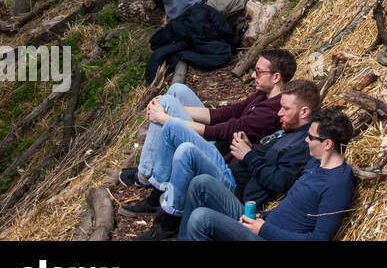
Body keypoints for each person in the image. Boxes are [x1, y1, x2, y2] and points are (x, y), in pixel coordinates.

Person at [134, 79, 320, 241]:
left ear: (304, 112)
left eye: (285, 108)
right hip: (230, 168)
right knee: (172, 108)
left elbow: (278, 181)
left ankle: (163, 211)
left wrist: (248, 155)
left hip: (234, 187)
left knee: (184, 147)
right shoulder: (288, 127)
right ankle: (163, 205)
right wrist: (251, 148)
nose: (279, 113)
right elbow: (230, 116)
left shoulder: (303, 143)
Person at [121, 49, 296, 218]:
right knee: (175, 92)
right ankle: (147, 172)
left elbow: (216, 132)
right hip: (219, 146)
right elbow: (224, 114)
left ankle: (145, 176)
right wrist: (171, 108)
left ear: (276, 77)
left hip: (220, 157)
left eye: (258, 72)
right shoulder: (262, 96)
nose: (252, 75)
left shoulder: (270, 113)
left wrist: (165, 118)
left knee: (167, 111)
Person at [181, 109, 355, 241]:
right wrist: (262, 216)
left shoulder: (337, 184)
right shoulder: (315, 163)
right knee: (201, 183)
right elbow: (291, 208)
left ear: (327, 144)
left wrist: (263, 229)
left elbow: (319, 238)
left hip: (266, 236)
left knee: (201, 218)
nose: (306, 140)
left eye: (311, 137)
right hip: (264, 223)